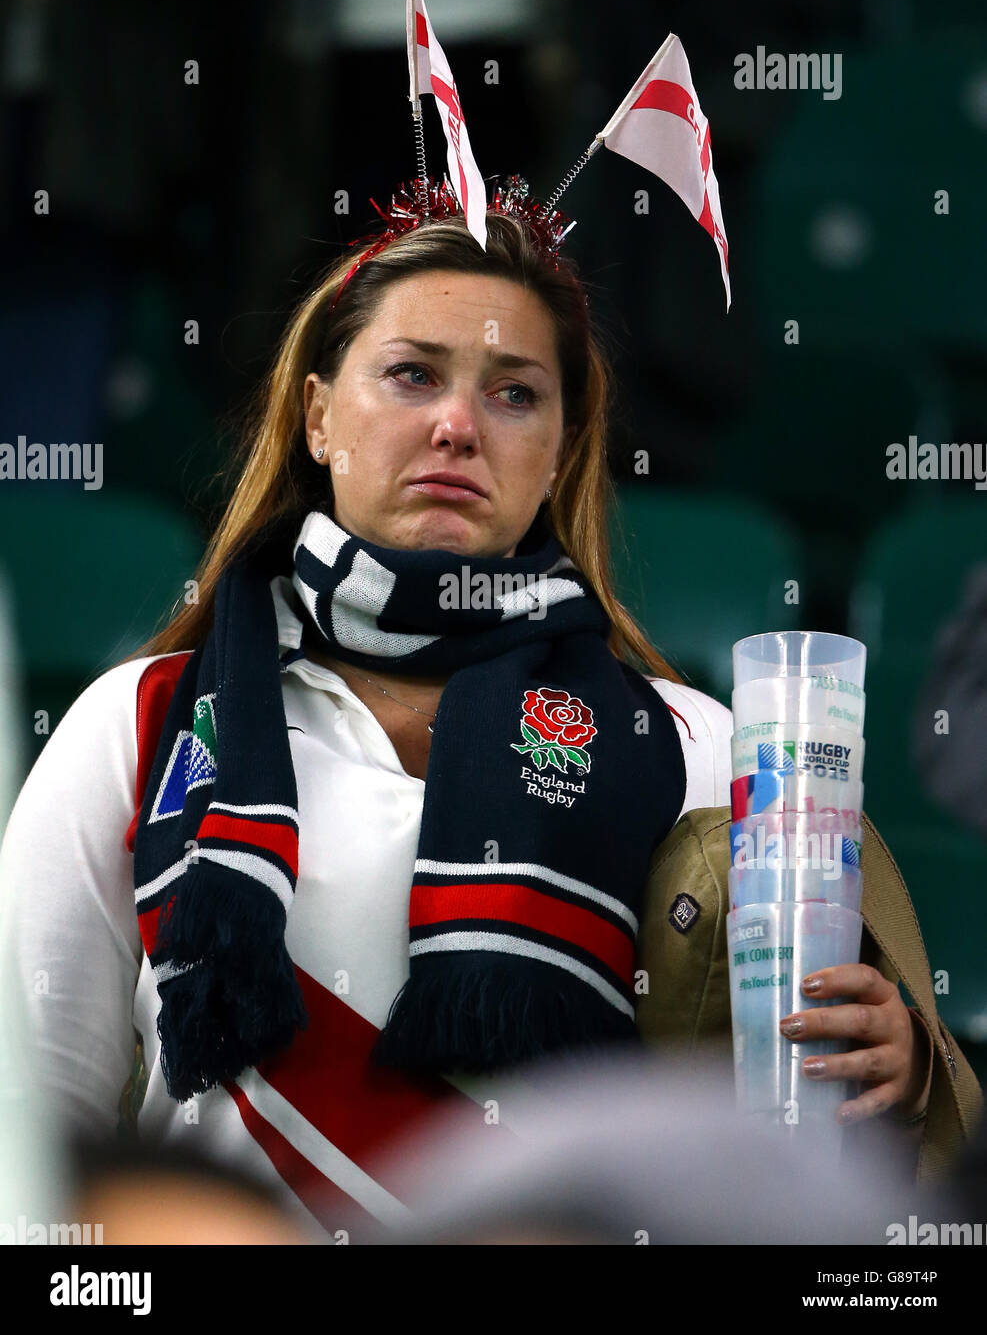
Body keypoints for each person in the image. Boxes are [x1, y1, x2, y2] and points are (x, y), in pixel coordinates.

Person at [0, 179, 966, 1243]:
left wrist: (898, 1075)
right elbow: (30, 1139)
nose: (458, 425)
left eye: (514, 394)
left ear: (560, 448)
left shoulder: (696, 743)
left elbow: (817, 1182)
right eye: (412, 374)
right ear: (318, 416)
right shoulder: (137, 724)